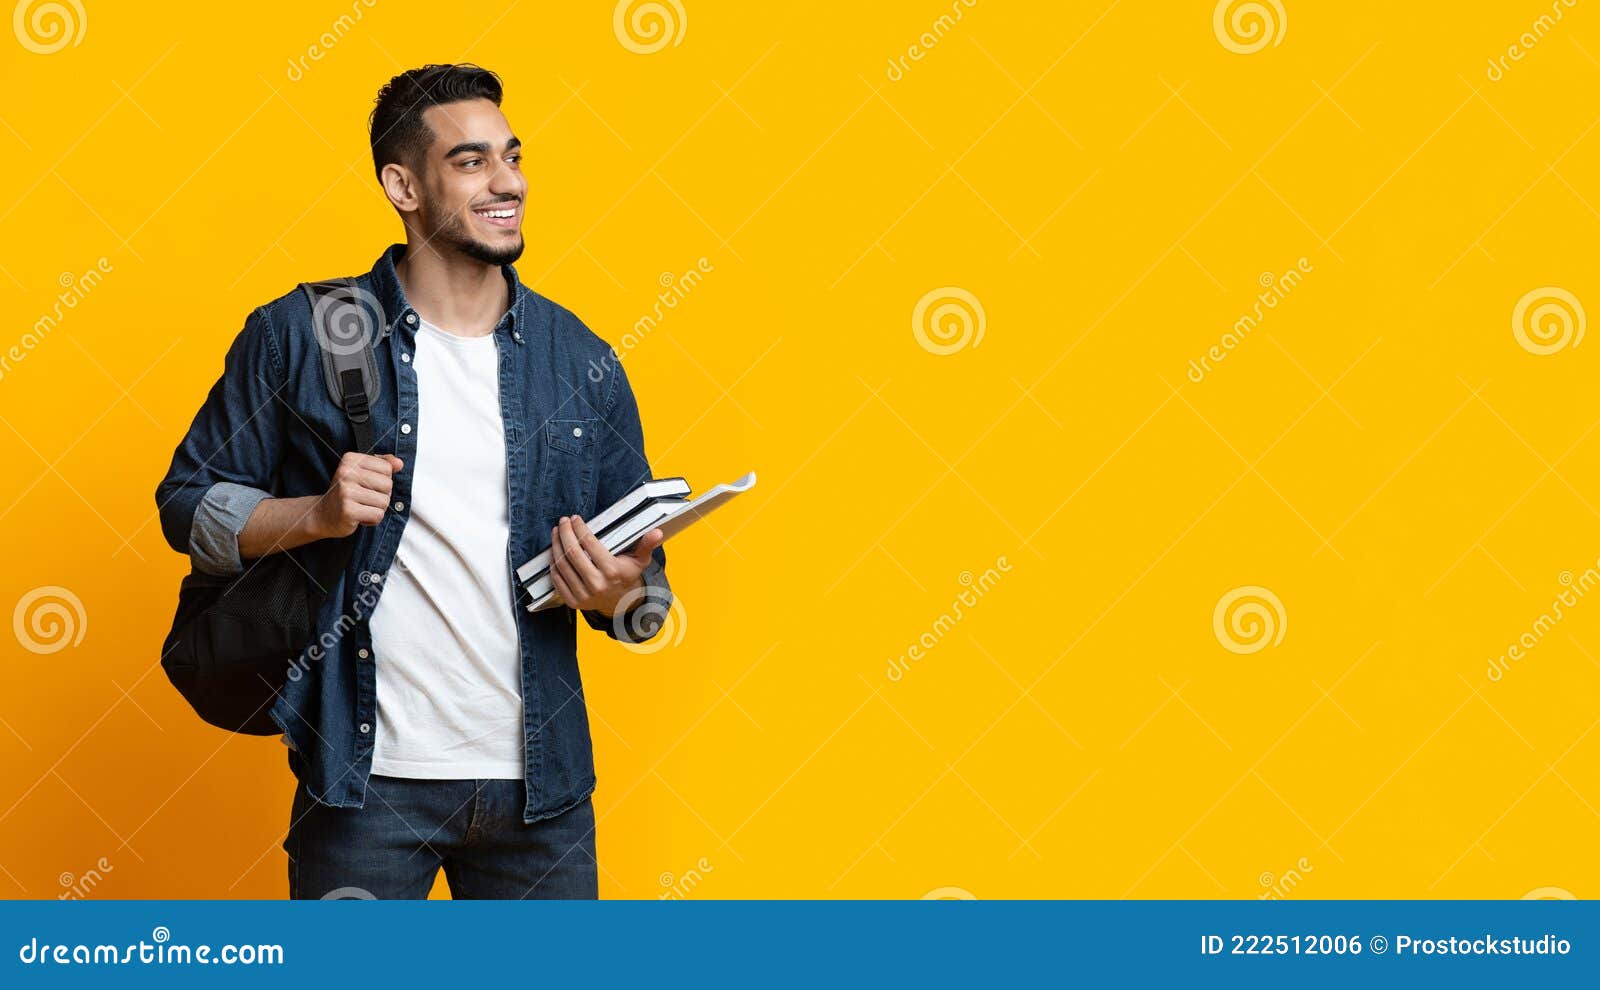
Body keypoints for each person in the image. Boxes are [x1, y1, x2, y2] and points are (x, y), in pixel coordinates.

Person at [155, 63, 672, 899]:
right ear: (402, 186)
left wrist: (618, 593)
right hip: (363, 785)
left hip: (542, 795)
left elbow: (647, 601)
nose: (508, 182)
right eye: (471, 162)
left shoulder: (581, 359)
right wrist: (316, 515)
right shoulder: (303, 333)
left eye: (512, 156)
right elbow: (187, 506)